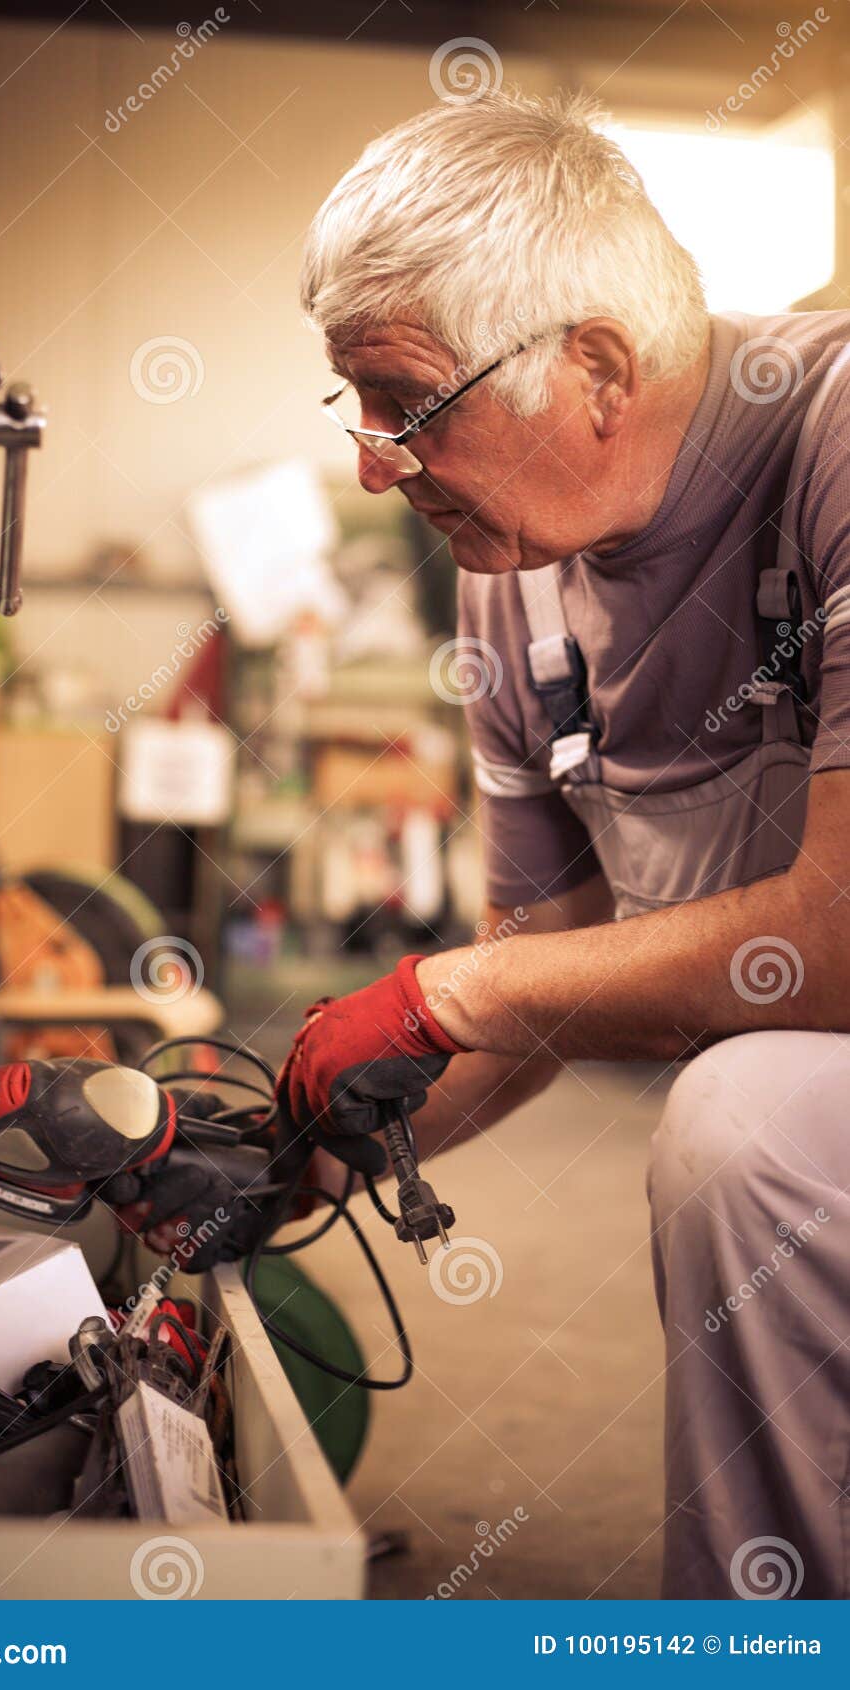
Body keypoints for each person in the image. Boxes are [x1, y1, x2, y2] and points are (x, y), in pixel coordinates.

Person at [280, 85, 850, 1600]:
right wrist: (294, 1159)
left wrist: (445, 993)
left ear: (595, 369)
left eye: (408, 402)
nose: (375, 462)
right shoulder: (512, 578)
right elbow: (542, 969)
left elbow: (841, 933)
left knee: (750, 1128)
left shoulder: (837, 437)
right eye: (355, 404)